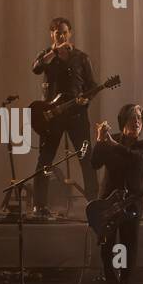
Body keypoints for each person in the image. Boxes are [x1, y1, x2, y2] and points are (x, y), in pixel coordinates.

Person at [30, 17, 99, 218]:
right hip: (52, 116)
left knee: (86, 157)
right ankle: (39, 205)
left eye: (64, 32)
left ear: (70, 33)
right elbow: (35, 68)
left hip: (76, 114)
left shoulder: (81, 57)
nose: (61, 35)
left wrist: (85, 101)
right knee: (45, 159)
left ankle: (93, 202)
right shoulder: (47, 56)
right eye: (57, 32)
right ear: (52, 34)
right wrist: (54, 52)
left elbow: (92, 86)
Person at [91, 104, 143, 284]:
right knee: (107, 250)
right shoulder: (112, 140)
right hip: (107, 204)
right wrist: (100, 141)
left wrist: (110, 143)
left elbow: (135, 161)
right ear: (123, 122)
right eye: (131, 118)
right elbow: (95, 162)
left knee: (128, 250)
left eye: (139, 119)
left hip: (131, 204)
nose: (136, 122)